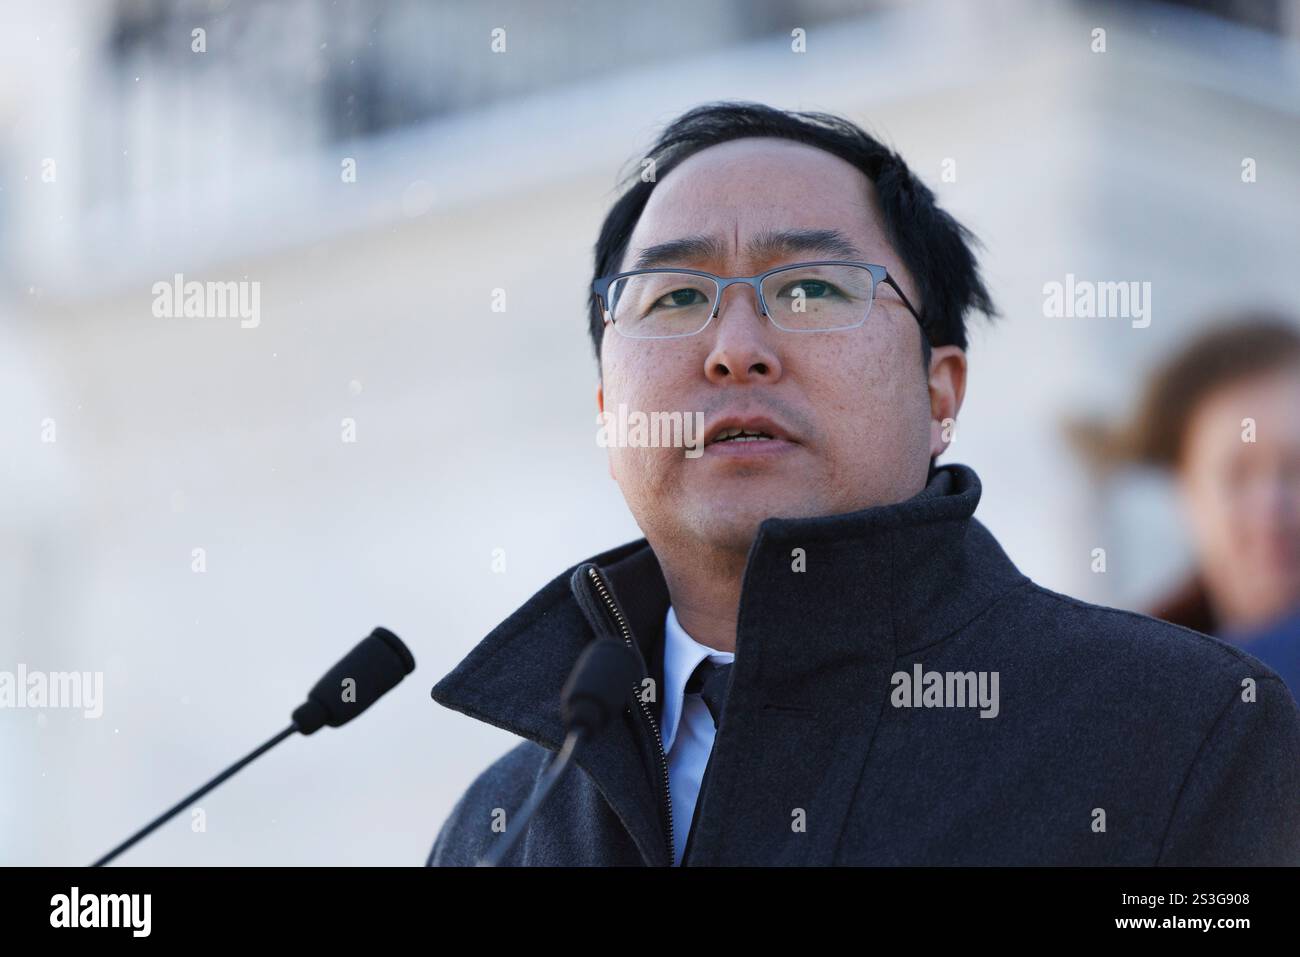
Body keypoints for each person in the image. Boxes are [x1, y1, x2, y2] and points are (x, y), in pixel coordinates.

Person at [426, 101, 1300, 866]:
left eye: (809, 288)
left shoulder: (1178, 731)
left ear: (938, 391)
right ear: (610, 407)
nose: (735, 348)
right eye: (675, 298)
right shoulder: (500, 829)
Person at [1130, 318, 1300, 697]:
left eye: (1295, 469)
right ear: (1185, 493)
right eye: (1237, 475)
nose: (1272, 508)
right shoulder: (1141, 678)